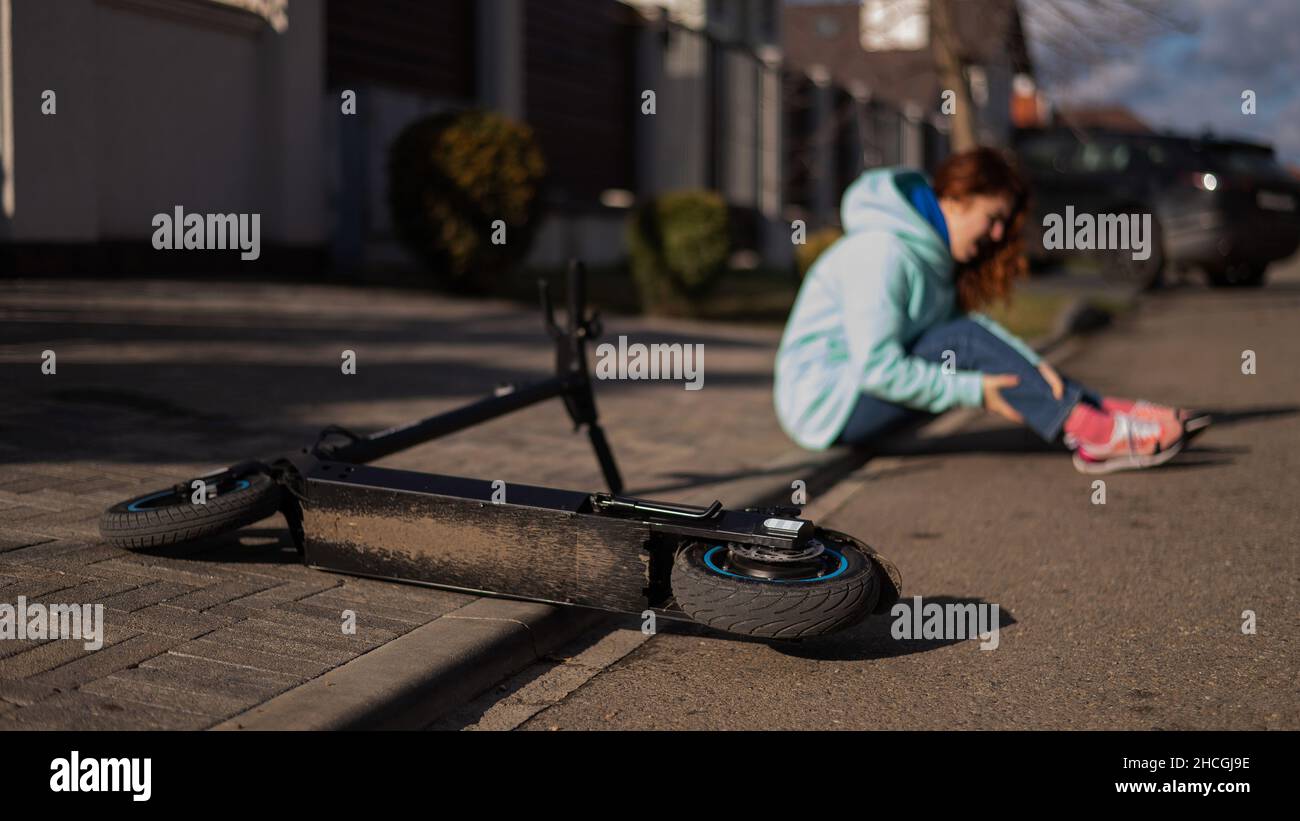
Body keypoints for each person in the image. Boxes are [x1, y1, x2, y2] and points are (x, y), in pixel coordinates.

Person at [773, 148, 1208, 474]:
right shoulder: (882, 252)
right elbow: (877, 369)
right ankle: (1095, 434)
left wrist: (1035, 364)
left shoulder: (930, 258)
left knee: (965, 335)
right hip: (826, 408)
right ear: (958, 198)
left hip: (857, 400)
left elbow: (966, 335)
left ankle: (1109, 414)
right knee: (962, 340)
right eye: (993, 217)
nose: (998, 234)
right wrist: (975, 391)